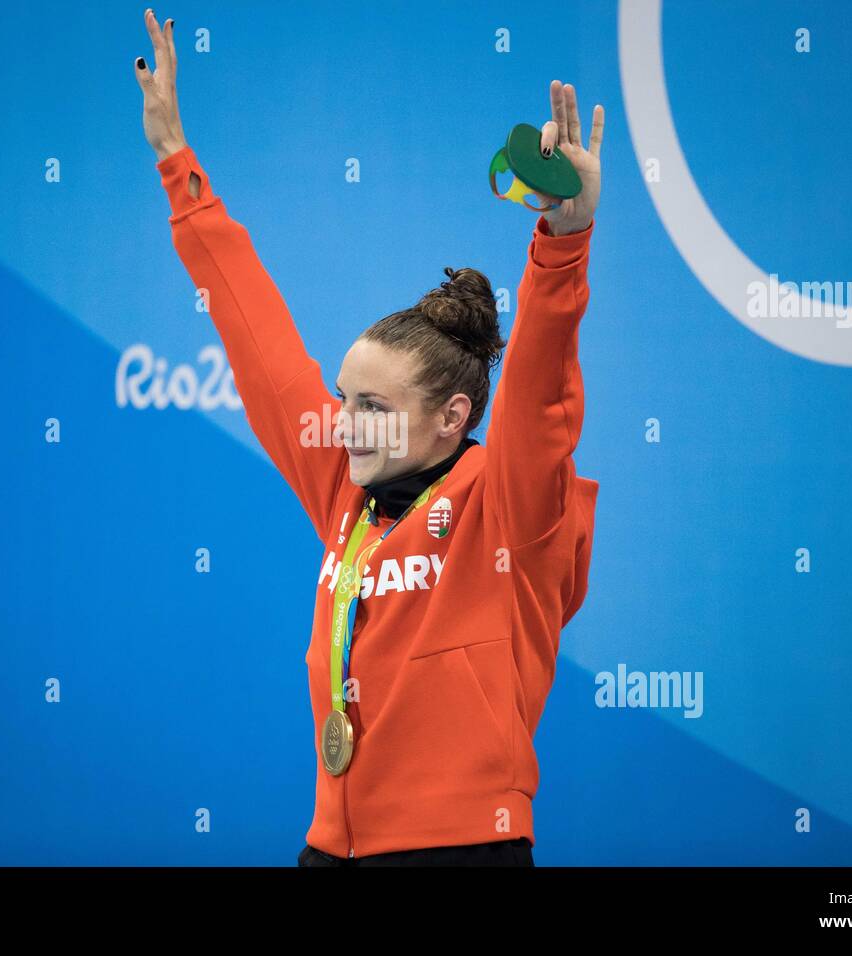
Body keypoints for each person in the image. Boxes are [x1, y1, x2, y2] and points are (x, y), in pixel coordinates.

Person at [134, 7, 603, 866]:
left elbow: (538, 396)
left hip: (461, 850)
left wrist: (563, 241)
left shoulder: (509, 508)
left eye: (374, 407)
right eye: (346, 398)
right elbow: (260, 340)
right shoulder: (347, 489)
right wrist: (176, 163)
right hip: (332, 848)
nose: (345, 421)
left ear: (452, 419)